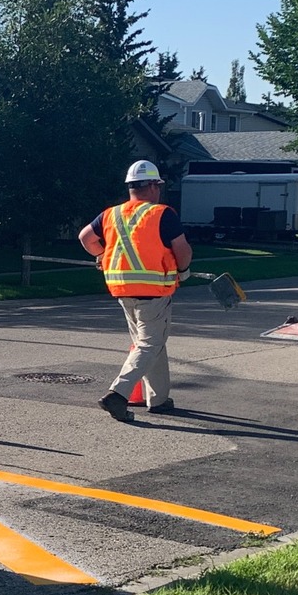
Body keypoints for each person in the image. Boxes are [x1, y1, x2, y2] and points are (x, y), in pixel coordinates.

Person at [80, 160, 192, 421]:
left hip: (122, 289)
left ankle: (159, 399)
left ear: (131, 187)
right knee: (150, 343)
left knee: (151, 344)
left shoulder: (111, 214)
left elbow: (85, 238)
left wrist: (102, 255)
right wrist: (183, 271)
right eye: (158, 186)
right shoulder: (161, 213)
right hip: (153, 290)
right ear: (153, 186)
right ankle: (118, 394)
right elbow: (183, 250)